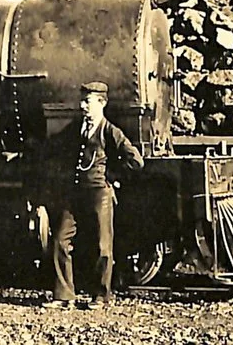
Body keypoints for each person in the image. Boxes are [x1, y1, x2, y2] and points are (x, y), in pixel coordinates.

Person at [42, 82, 144, 310]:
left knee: (102, 245)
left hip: (99, 194)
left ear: (102, 104)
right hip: (75, 194)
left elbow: (136, 161)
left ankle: (102, 296)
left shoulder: (110, 131)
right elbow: (55, 146)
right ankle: (63, 296)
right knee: (60, 240)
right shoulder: (76, 127)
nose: (82, 106)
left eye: (88, 102)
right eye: (82, 101)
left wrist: (113, 176)